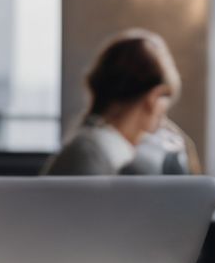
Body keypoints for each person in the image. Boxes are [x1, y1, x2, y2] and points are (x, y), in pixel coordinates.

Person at [41, 29, 199, 176]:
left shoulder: (88, 146)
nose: (164, 114)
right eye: (165, 100)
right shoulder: (95, 153)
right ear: (154, 97)